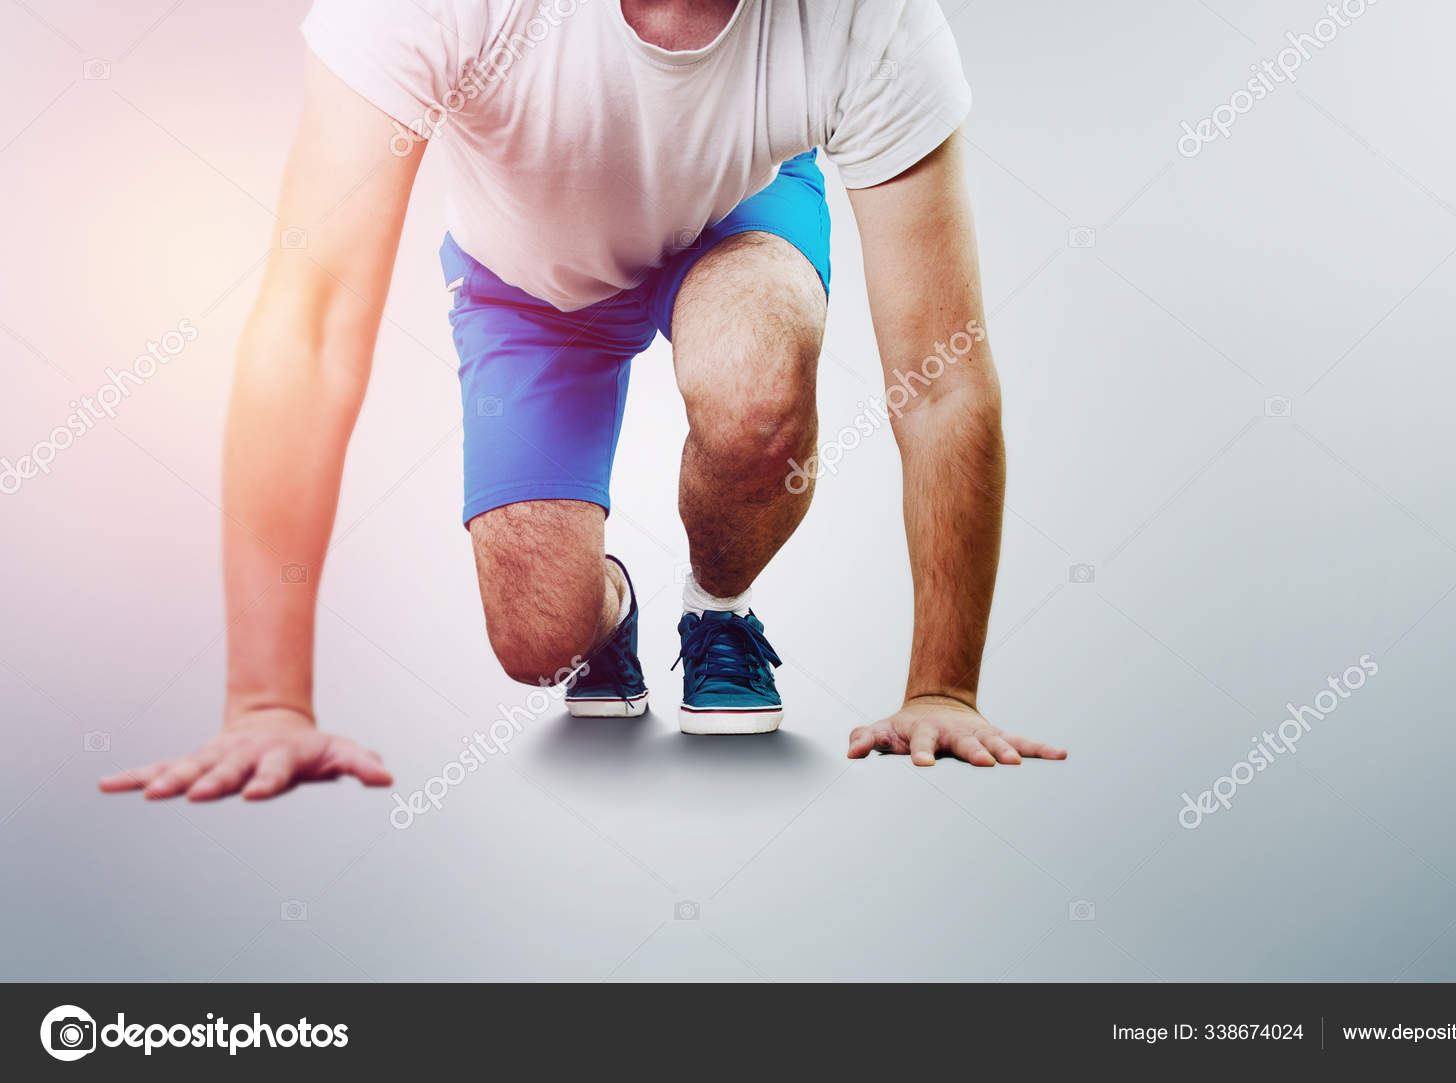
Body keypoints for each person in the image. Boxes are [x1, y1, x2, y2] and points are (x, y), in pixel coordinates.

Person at [99, 0, 1066, 803]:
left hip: (735, 216)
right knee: (538, 639)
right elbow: (309, 331)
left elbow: (942, 375)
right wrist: (268, 701)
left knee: (756, 388)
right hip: (530, 280)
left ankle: (719, 610)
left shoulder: (866, 20)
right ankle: (610, 615)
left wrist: (944, 688)